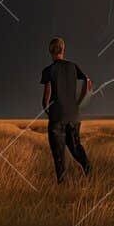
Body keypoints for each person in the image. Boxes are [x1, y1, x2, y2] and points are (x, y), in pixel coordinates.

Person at [40, 37, 92, 183]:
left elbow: (46, 96)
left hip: (57, 117)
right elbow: (87, 83)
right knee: (76, 149)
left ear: (50, 51)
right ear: (63, 50)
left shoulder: (48, 71)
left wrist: (47, 109)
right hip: (74, 116)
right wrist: (79, 102)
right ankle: (89, 171)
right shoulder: (73, 66)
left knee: (59, 156)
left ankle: (63, 188)